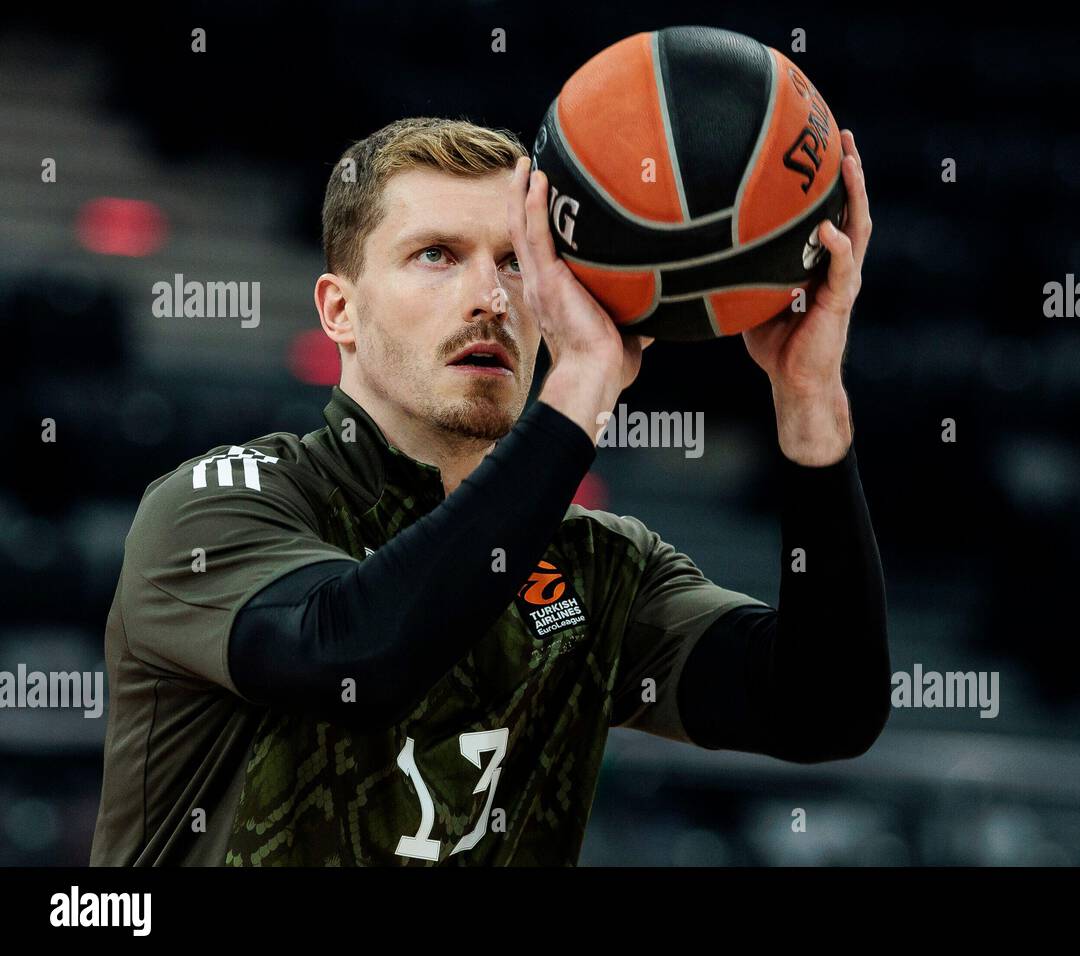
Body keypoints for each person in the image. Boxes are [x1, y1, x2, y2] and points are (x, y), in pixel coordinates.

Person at [90, 116, 888, 866]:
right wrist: (580, 383)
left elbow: (828, 710)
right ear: (341, 311)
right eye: (436, 254)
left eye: (516, 261)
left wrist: (809, 398)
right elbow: (355, 658)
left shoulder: (595, 566)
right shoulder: (215, 504)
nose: (493, 298)